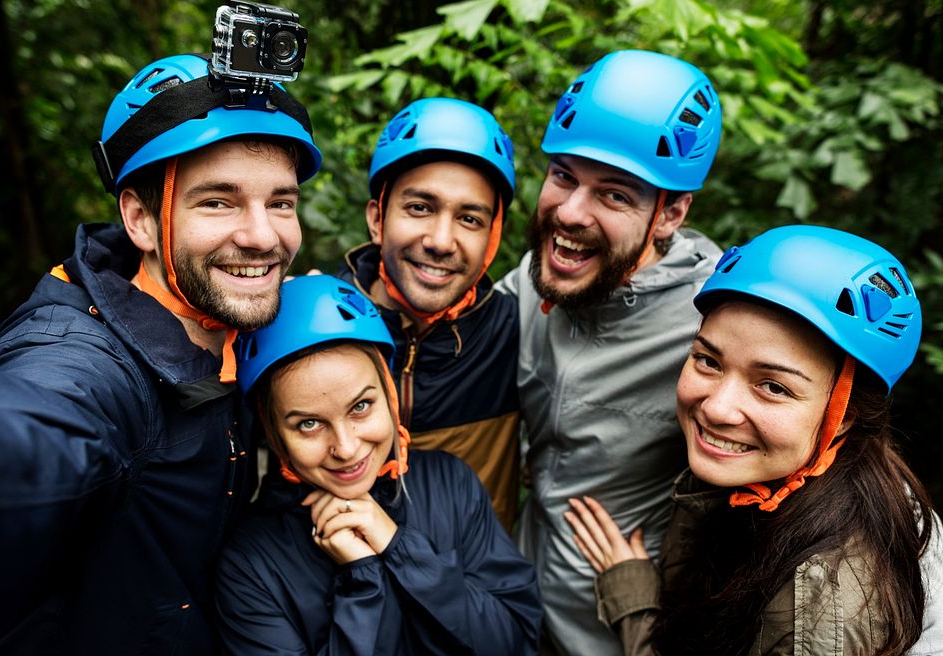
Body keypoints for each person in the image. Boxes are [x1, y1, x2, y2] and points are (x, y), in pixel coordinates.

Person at [0, 53, 321, 654]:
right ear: (141, 219)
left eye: (280, 201)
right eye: (218, 202)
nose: (263, 235)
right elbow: (17, 434)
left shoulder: (235, 330)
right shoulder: (86, 365)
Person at [566, 224, 939, 655]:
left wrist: (632, 601)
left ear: (843, 418)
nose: (716, 408)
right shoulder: (768, 485)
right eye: (708, 360)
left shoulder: (815, 620)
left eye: (773, 387)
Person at [495, 49, 724, 653]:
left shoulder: (717, 321)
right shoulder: (528, 284)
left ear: (671, 213)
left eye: (615, 196)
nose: (571, 213)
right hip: (519, 615)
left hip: (629, 631)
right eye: (564, 176)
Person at [214, 274, 542, 654]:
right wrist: (362, 581)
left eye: (361, 406)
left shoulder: (451, 483)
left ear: (390, 393)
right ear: (273, 433)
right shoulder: (250, 566)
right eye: (309, 423)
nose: (347, 448)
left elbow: (515, 641)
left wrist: (399, 548)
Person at [337, 97, 521, 530]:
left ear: (493, 237)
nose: (441, 240)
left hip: (473, 586)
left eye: (470, 219)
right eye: (420, 208)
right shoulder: (313, 327)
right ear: (378, 218)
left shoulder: (513, 331)